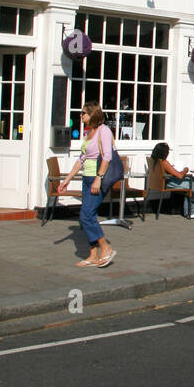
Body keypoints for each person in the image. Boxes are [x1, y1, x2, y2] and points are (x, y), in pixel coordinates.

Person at [57, 102, 117, 268]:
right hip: (87, 179)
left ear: (93, 114)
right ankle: (93, 255)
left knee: (86, 215)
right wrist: (67, 180)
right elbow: (81, 159)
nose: (81, 115)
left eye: (83, 113)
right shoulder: (89, 132)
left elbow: (107, 156)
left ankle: (106, 247)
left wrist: (99, 178)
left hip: (97, 179)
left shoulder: (103, 131)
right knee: (86, 216)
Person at [150, 141, 194, 218]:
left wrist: (172, 168)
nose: (168, 153)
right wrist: (186, 169)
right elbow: (180, 175)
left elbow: (168, 171)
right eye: (167, 151)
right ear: (164, 152)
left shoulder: (154, 160)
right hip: (174, 183)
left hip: (168, 182)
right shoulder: (163, 161)